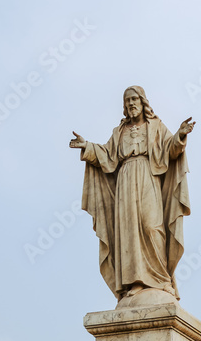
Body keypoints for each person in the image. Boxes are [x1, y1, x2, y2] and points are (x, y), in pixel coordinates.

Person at [70, 86, 194, 300]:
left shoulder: (155, 126)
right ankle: (136, 281)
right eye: (127, 101)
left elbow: (169, 149)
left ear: (143, 102)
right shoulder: (119, 132)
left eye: (135, 99)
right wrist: (87, 147)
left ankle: (162, 280)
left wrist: (180, 135)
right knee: (129, 232)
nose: (131, 104)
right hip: (125, 181)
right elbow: (107, 155)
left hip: (148, 177)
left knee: (152, 226)